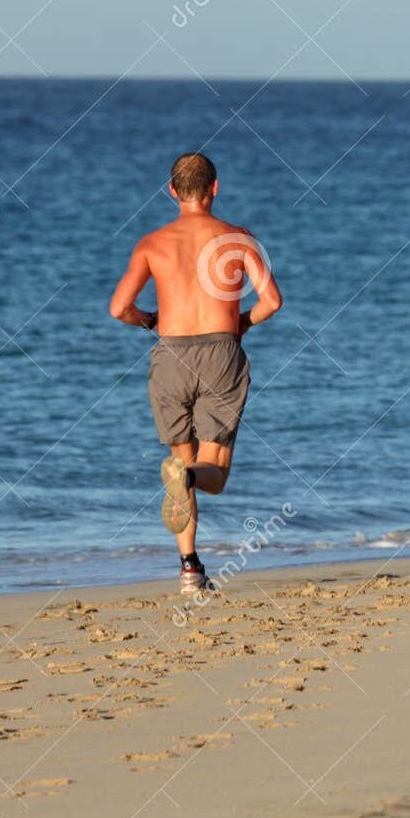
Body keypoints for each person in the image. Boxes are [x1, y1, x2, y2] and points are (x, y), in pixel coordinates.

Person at [108, 153, 282, 594]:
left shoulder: (152, 243)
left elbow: (118, 308)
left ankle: (190, 569)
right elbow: (272, 302)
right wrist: (238, 324)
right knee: (213, 475)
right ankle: (186, 478)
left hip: (170, 356)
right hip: (221, 353)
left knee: (180, 461)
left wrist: (151, 321)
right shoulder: (238, 238)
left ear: (171, 191)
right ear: (215, 188)